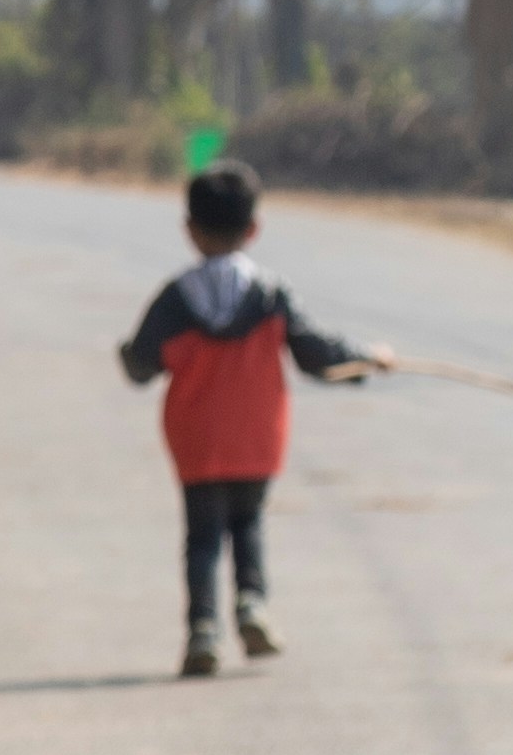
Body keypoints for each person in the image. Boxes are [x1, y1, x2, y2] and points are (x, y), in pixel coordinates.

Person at [113, 162, 384, 678]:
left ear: (189, 229)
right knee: (247, 521)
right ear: (253, 229)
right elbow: (316, 355)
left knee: (202, 535)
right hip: (256, 436)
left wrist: (126, 354)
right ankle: (252, 604)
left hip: (196, 439)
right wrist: (368, 358)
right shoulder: (270, 294)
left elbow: (142, 365)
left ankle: (203, 630)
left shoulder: (175, 300)